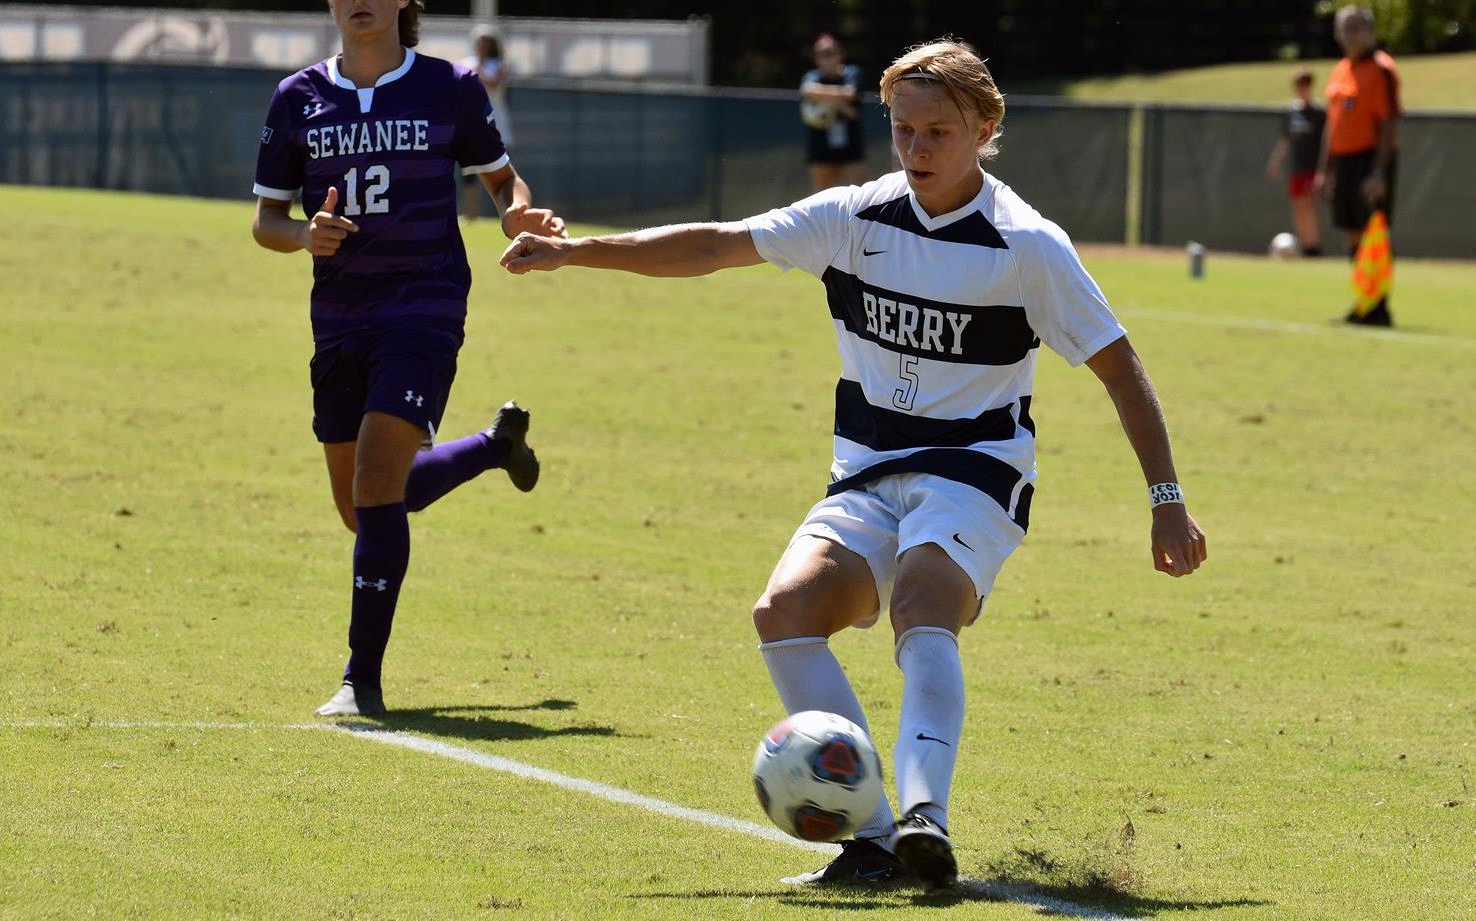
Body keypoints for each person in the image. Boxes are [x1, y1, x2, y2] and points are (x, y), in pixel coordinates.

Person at [500, 39, 1207, 890]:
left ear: (985, 127)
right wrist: (576, 251)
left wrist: (1165, 498)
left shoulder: (1028, 246)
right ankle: (875, 837)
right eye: (902, 129)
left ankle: (925, 814)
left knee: (919, 603)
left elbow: (1117, 365)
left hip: (976, 467)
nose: (915, 151)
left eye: (938, 132)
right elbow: (712, 246)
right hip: (867, 468)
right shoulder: (853, 217)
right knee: (784, 610)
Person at [250, 0, 565, 717]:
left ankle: (361, 679)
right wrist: (302, 236)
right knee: (361, 506)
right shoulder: (296, 98)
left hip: (424, 305)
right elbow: (266, 218)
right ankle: (493, 447)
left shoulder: (449, 86)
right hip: (337, 316)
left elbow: (501, 178)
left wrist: (517, 210)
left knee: (373, 478)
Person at [1315, 5, 1400, 326]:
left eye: (1355, 28)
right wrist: (1325, 170)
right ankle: (1364, 302)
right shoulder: (1340, 70)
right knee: (1352, 233)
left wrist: (1378, 172)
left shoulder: (1382, 69)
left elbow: (1389, 125)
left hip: (1370, 158)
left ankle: (1379, 306)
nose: (1349, 35)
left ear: (1370, 32)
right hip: (1345, 160)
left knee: (1374, 233)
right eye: (1344, 29)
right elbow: (1333, 124)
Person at [1266, 69, 1325, 257]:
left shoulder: (1318, 112)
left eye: (1304, 86)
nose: (1301, 90)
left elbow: (1327, 141)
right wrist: (1276, 162)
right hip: (1296, 167)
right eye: (1298, 86)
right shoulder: (1291, 112)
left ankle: (1313, 247)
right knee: (1298, 207)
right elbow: (1286, 140)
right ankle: (1304, 244)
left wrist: (1324, 169)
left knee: (1309, 206)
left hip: (1312, 166)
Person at [800, 33, 867, 192]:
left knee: (858, 195)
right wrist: (840, 100)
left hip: (850, 147)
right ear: (816, 58)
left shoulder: (852, 73)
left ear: (841, 53)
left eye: (832, 52)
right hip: (821, 148)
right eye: (823, 54)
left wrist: (825, 98)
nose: (828, 57)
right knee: (822, 198)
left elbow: (851, 94)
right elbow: (808, 90)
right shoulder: (812, 76)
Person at [461, 28, 514, 219]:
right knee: (470, 173)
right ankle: (471, 212)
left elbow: (493, 83)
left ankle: (506, 213)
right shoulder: (467, 64)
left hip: (497, 124)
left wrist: (480, 67)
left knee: (500, 172)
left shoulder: (498, 64)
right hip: (473, 124)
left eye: (484, 42)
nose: (480, 46)